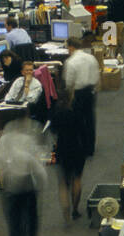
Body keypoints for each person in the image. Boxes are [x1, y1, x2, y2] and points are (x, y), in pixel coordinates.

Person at [0, 118, 48, 236]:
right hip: (28, 187)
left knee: (14, 225)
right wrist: (42, 184)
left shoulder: (2, 142)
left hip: (10, 190)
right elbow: (38, 166)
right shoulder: (27, 141)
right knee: (32, 218)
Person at [48, 88, 88, 222]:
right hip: (77, 147)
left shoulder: (56, 112)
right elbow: (84, 130)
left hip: (62, 148)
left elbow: (52, 130)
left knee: (64, 183)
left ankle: (66, 212)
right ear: (71, 98)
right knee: (77, 179)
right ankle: (75, 210)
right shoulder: (76, 112)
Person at [63, 37, 99, 162]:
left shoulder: (71, 61)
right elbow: (96, 75)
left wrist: (68, 96)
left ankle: (82, 148)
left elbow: (69, 83)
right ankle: (90, 148)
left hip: (79, 93)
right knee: (90, 119)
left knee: (79, 119)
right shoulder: (91, 58)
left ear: (71, 47)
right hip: (90, 91)